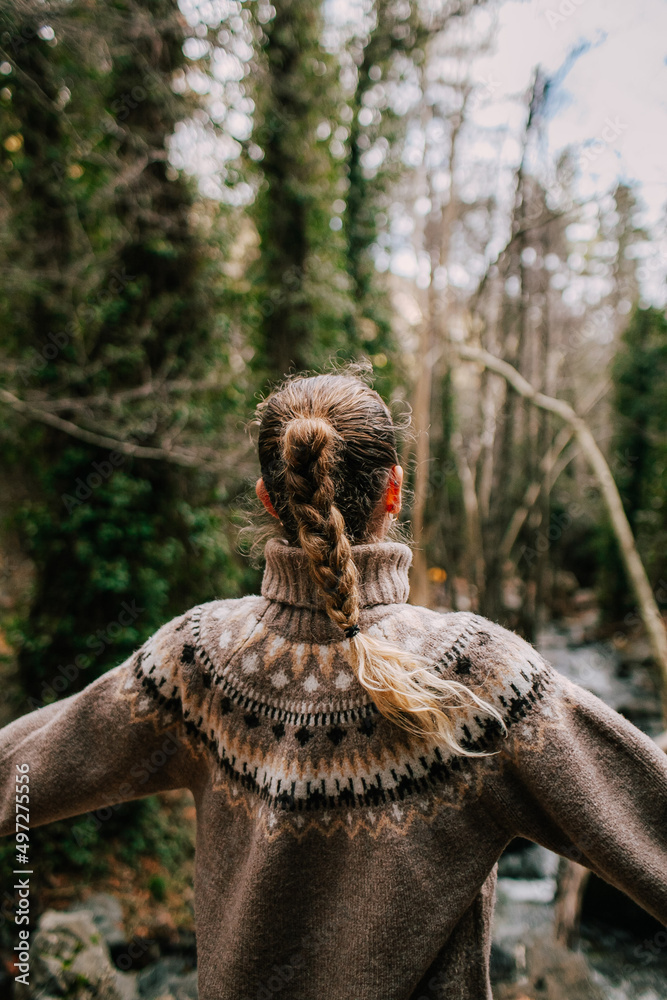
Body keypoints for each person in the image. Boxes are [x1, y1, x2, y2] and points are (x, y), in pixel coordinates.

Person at [1, 369, 666, 1000]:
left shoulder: (198, 658)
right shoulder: (476, 674)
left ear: (269, 499)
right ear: (394, 492)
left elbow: (21, 774)